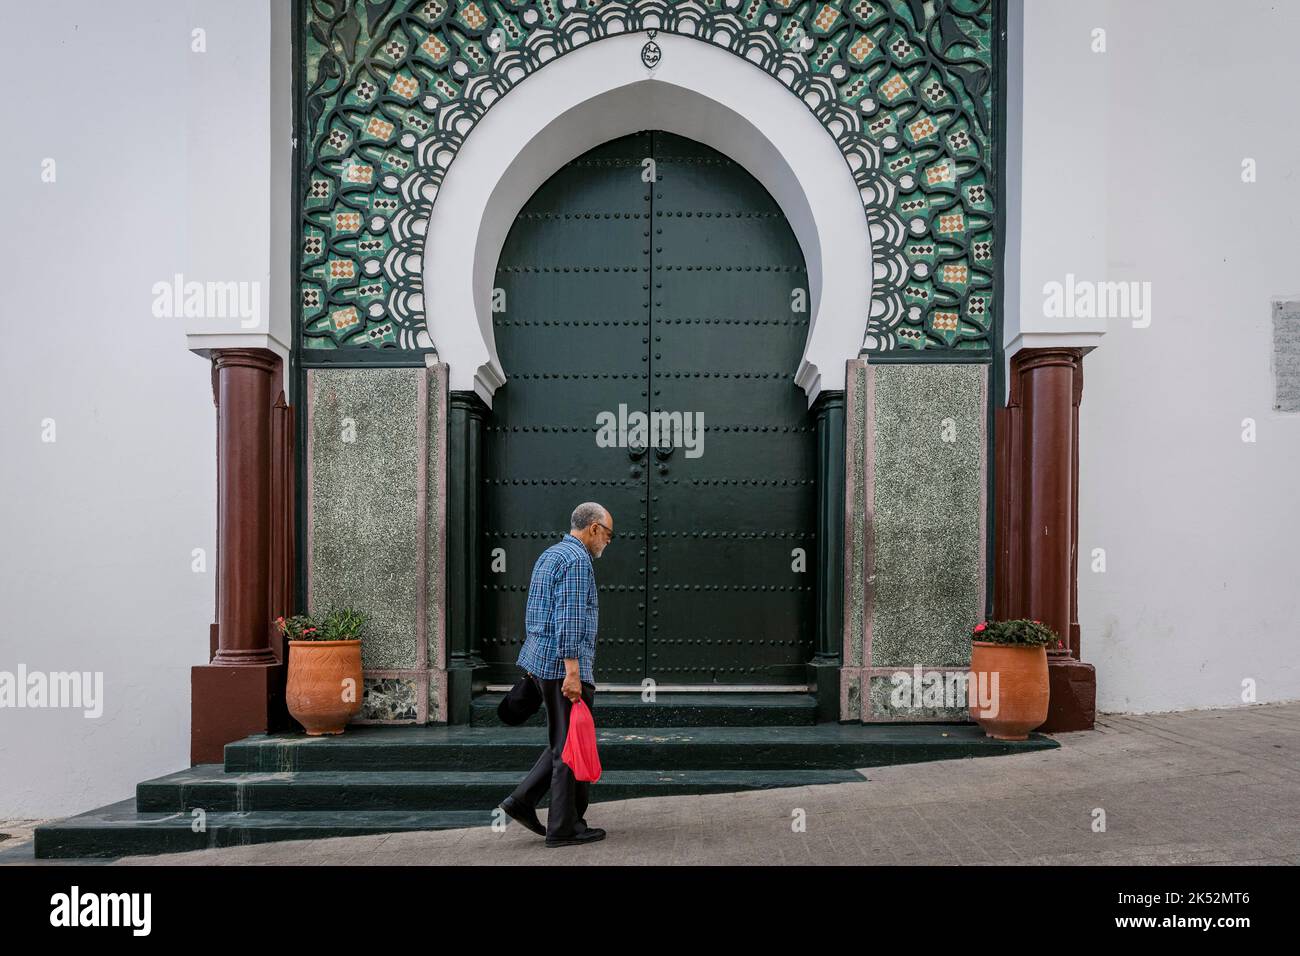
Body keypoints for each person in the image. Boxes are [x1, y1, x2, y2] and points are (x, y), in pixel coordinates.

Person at [498, 502, 613, 847]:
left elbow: (536, 610)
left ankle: (521, 801)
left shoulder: (552, 554)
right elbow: (570, 619)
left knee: (563, 742)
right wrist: (573, 673)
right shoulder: (578, 561)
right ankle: (563, 828)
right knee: (569, 749)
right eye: (608, 535)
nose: (608, 542)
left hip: (540, 663)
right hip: (561, 669)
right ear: (593, 528)